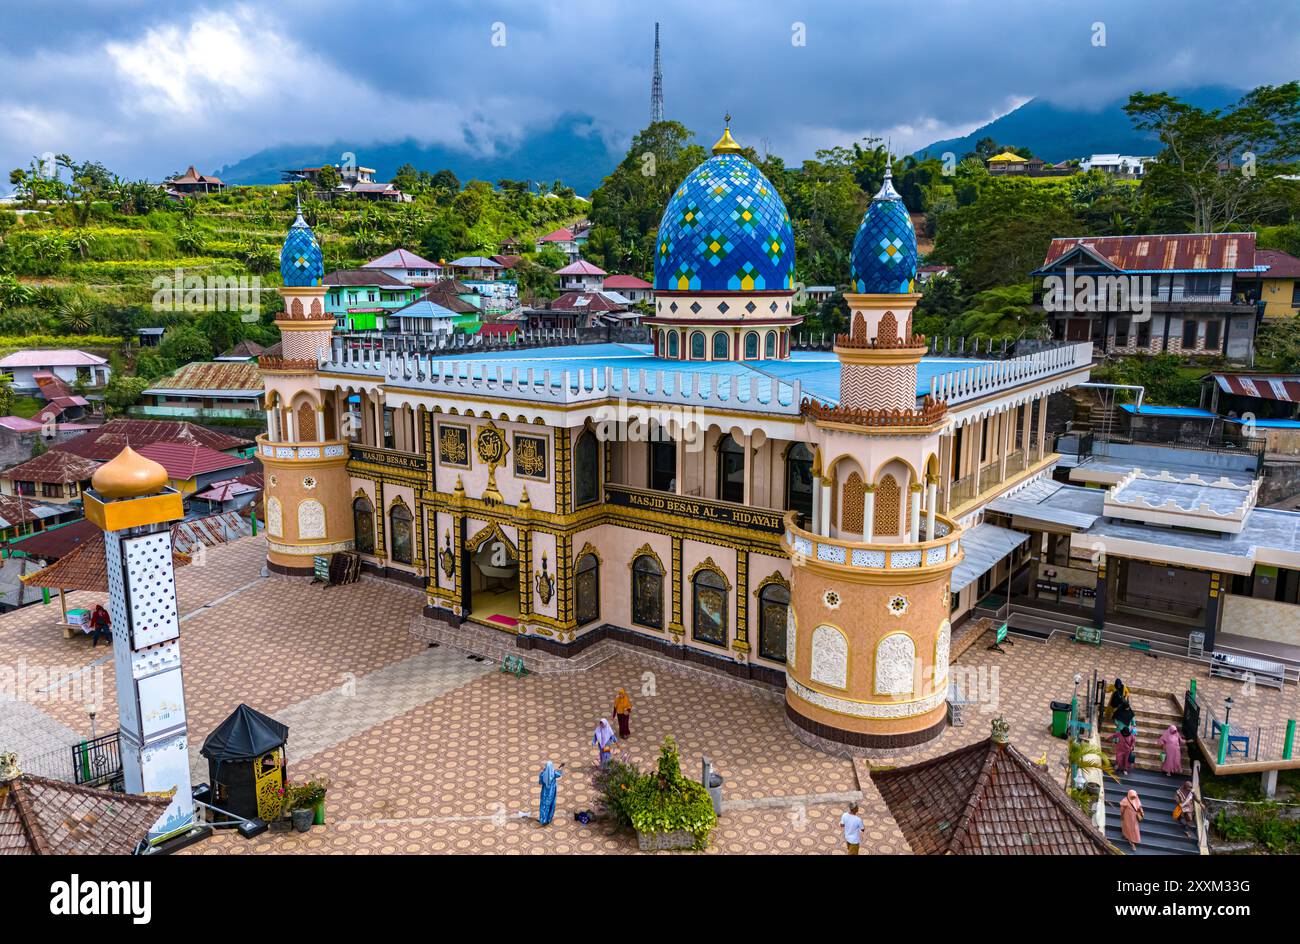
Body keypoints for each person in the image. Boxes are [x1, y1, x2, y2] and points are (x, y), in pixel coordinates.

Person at [537, 761, 564, 826]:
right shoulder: (554, 773)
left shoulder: (542, 774)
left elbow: (540, 782)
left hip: (544, 793)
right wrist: (561, 767)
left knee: (543, 806)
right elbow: (559, 773)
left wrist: (544, 772)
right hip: (552, 793)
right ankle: (549, 819)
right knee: (551, 805)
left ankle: (543, 819)